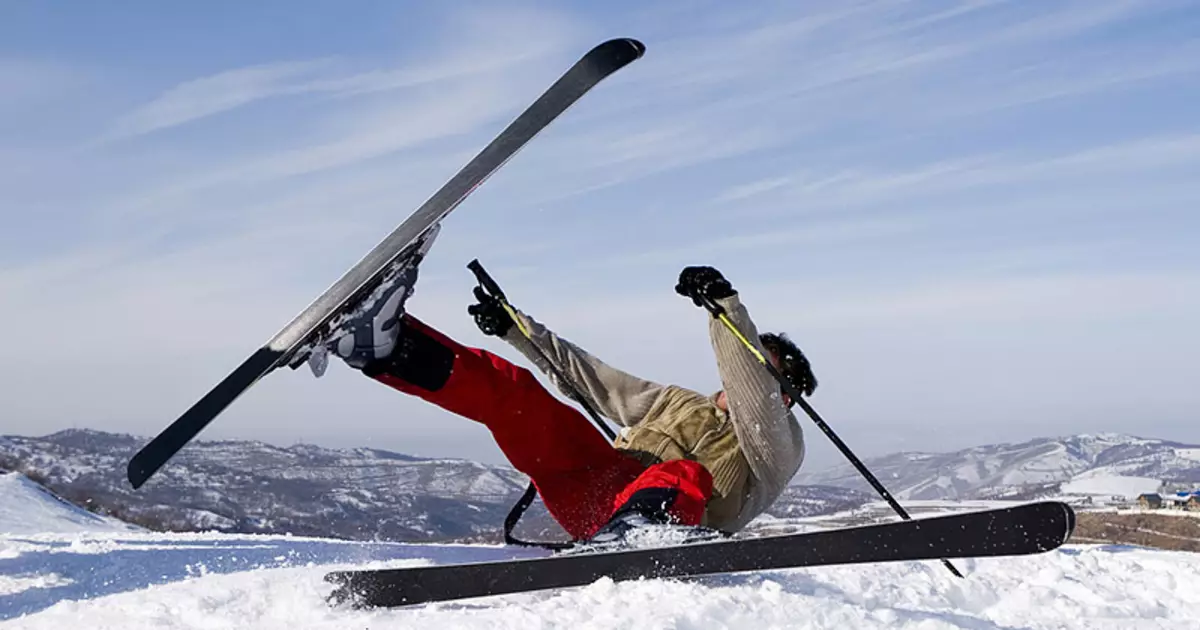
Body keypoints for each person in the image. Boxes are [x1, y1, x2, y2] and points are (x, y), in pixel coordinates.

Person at [331, 261, 817, 542]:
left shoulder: (780, 448)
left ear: (787, 397)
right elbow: (592, 380)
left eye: (762, 372)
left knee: (683, 473)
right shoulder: (678, 402)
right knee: (514, 393)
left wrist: (726, 312)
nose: (745, 377)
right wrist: (516, 330)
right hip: (595, 492)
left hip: (675, 525)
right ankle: (385, 347)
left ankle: (639, 536)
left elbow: (756, 400)